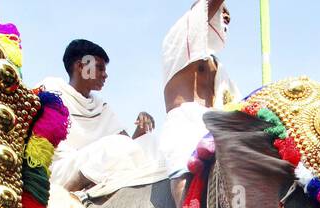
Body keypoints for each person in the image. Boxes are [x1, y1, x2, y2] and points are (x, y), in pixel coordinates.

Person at [42, 39, 157, 192]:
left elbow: (129, 146)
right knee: (112, 146)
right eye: (99, 68)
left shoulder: (101, 107)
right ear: (80, 66)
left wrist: (141, 130)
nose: (105, 75)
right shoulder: (52, 90)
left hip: (97, 161)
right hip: (62, 169)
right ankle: (64, 195)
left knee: (150, 142)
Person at [158, 0, 235, 177]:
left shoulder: (218, 66)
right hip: (185, 121)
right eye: (222, 13)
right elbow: (204, 9)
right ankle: (184, 206)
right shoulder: (178, 38)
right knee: (183, 168)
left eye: (228, 19)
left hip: (216, 126)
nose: (225, 19)